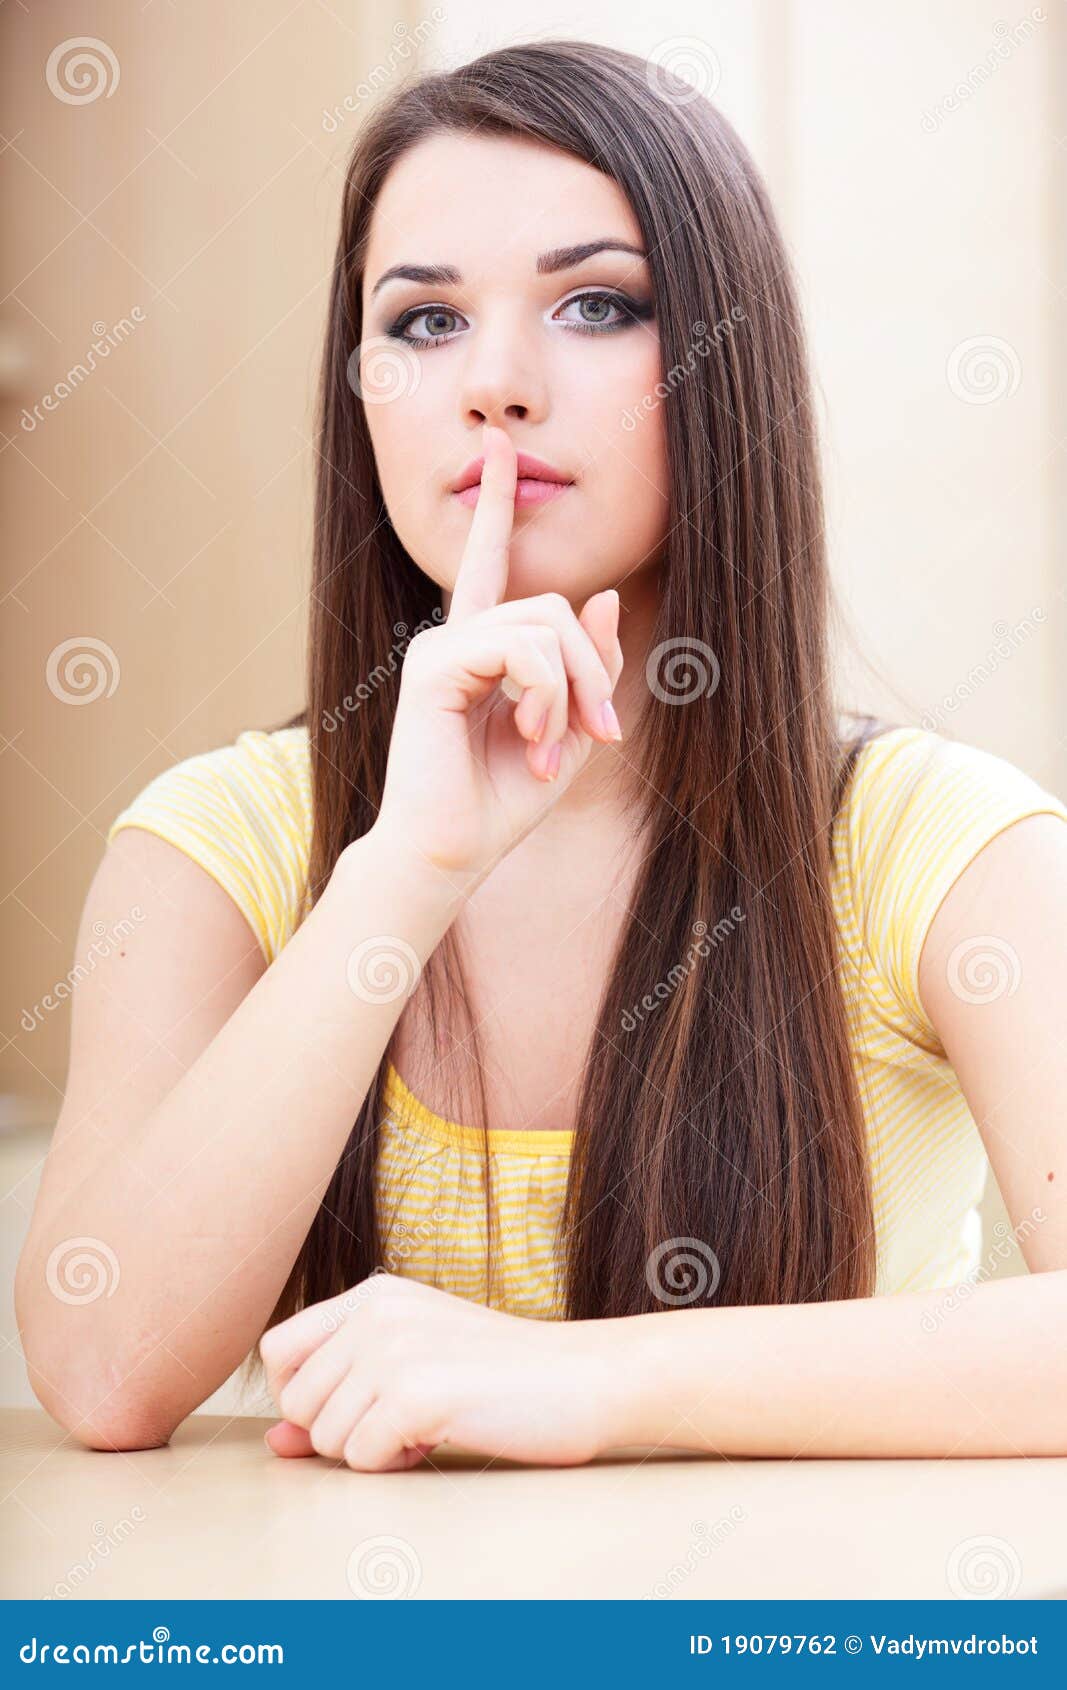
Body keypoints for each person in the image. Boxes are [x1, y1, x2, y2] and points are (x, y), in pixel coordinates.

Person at [17, 39, 1067, 1472]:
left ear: (721, 359)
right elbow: (103, 1368)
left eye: (596, 305)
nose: (495, 385)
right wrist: (407, 866)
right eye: (426, 322)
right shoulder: (217, 844)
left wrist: (587, 1382)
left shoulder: (939, 842)